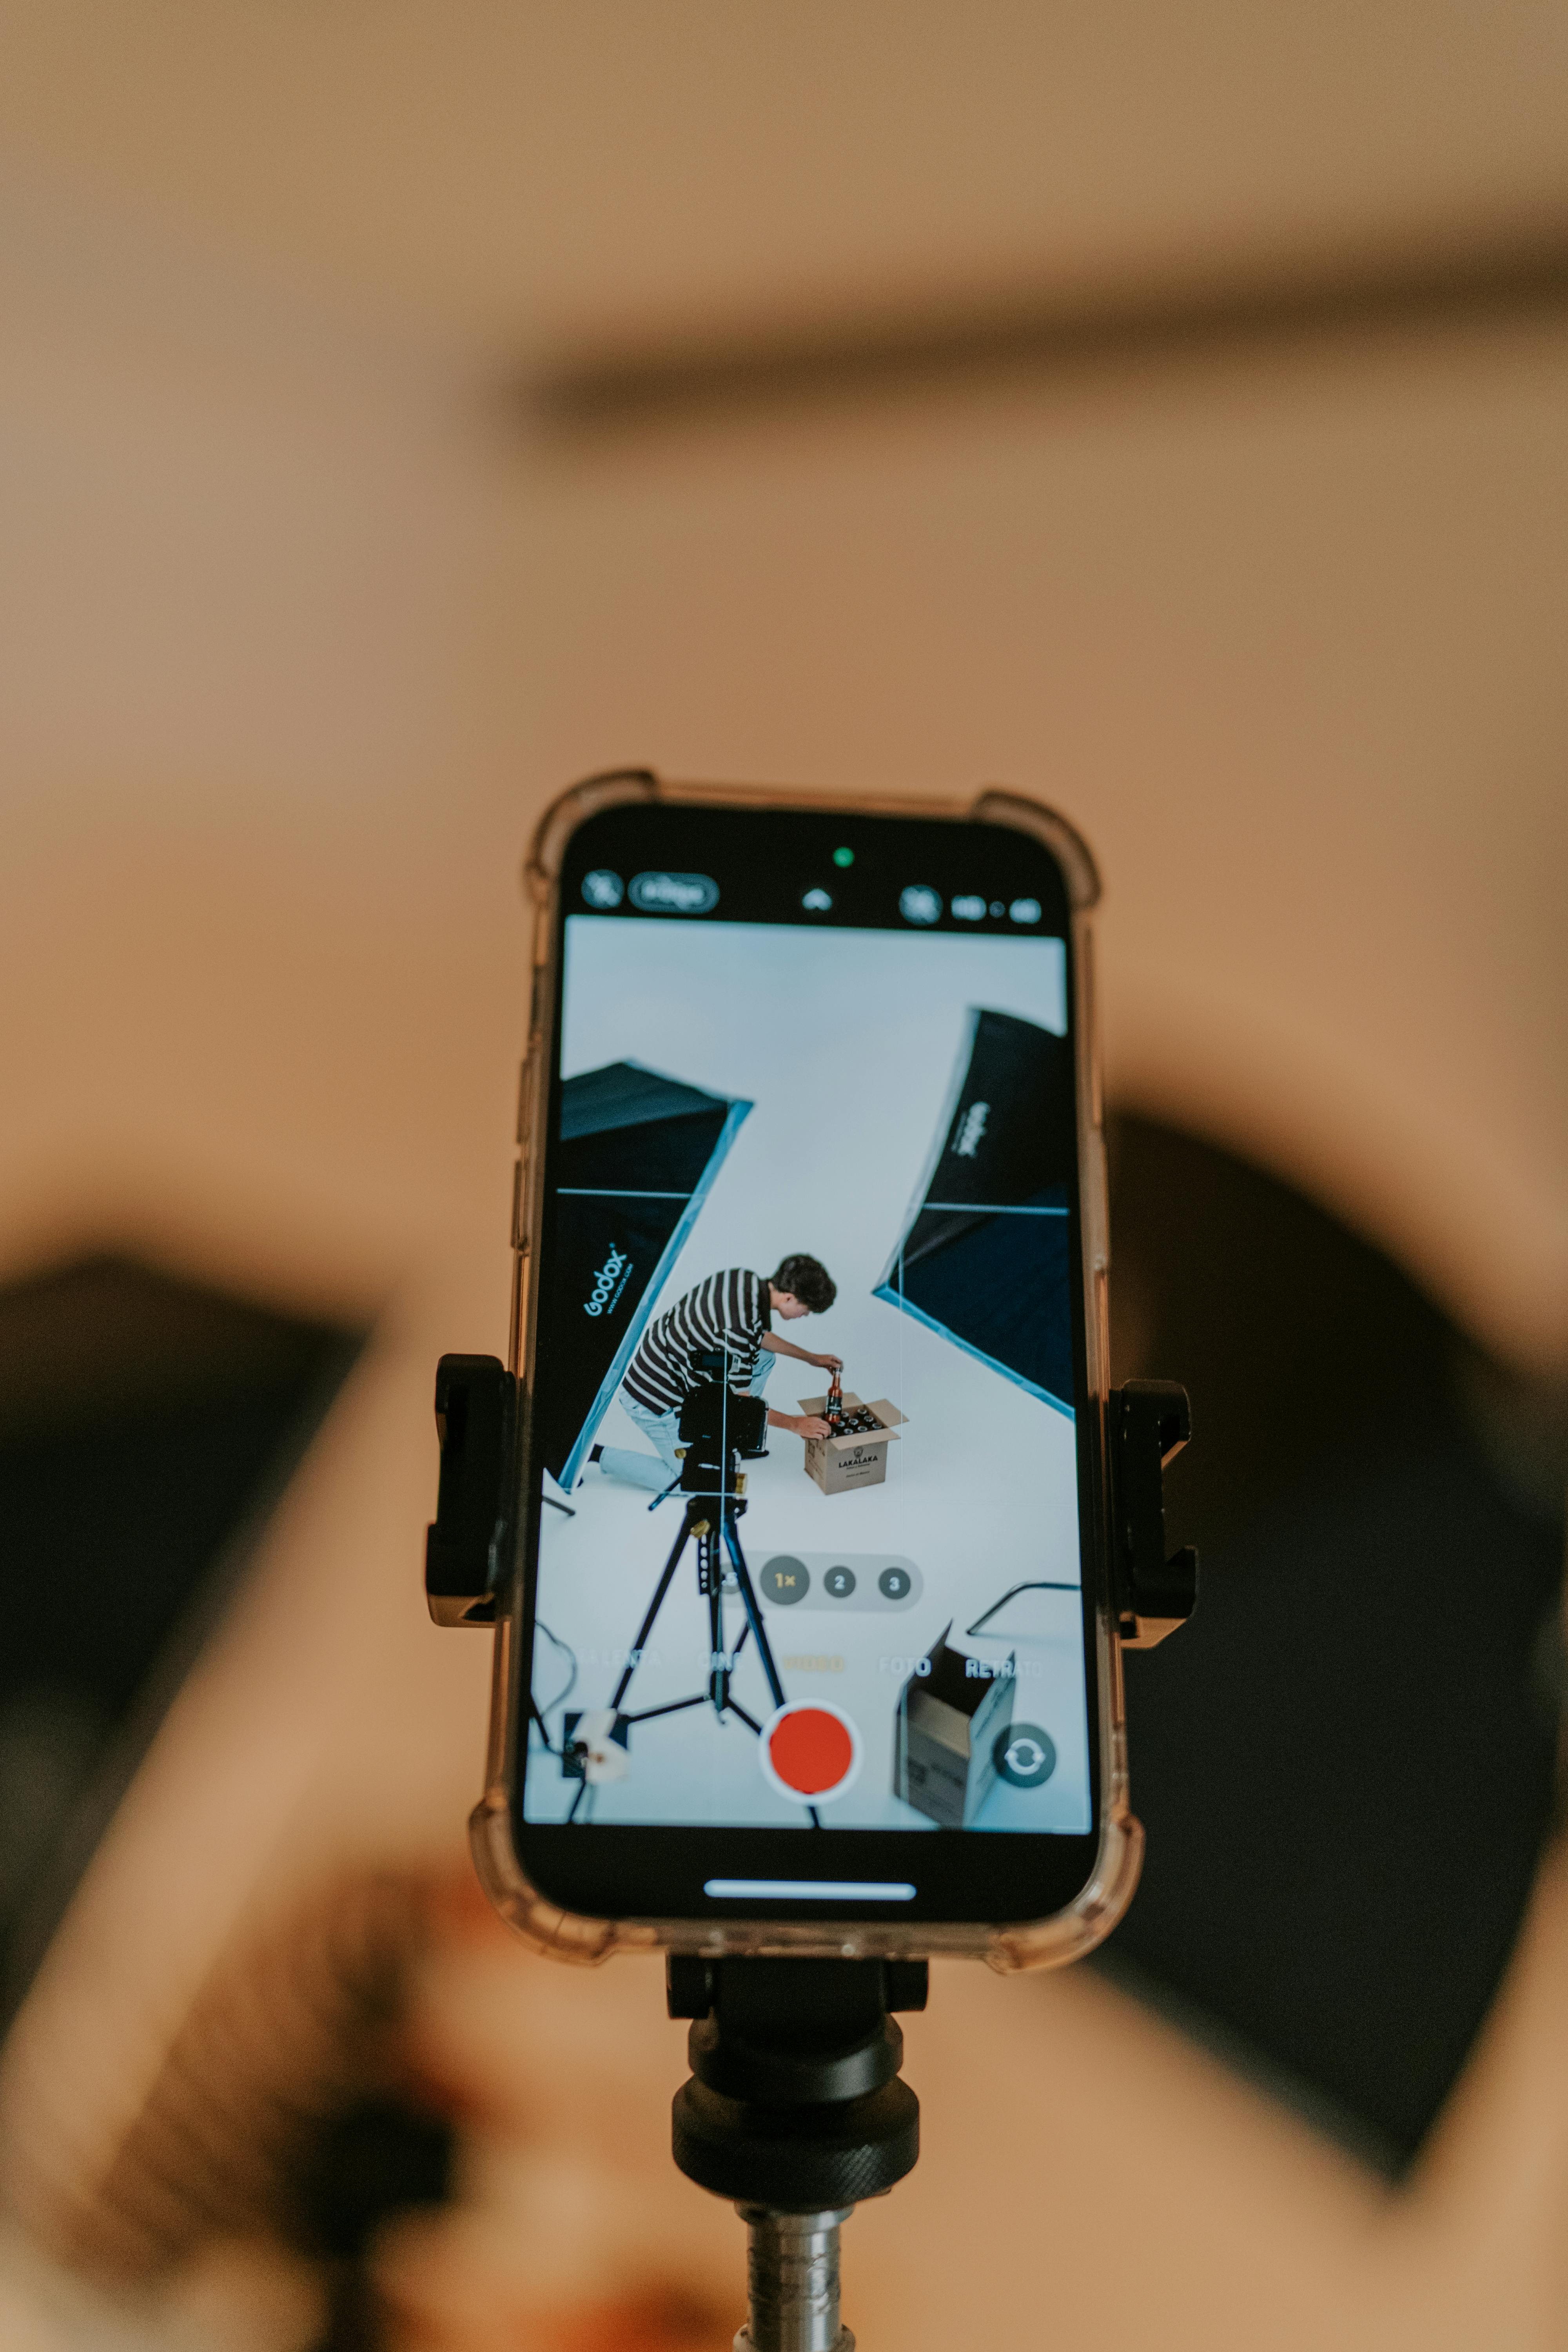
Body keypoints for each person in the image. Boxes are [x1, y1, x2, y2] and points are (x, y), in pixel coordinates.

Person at [590, 1254, 842, 1493]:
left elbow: (758, 1337)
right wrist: (795, 1424)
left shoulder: (745, 1280)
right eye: (806, 1309)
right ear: (788, 1298)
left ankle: (738, 1435)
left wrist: (812, 1358)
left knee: (764, 1358)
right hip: (652, 1397)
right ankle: (598, 1455)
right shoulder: (736, 1334)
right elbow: (741, 1402)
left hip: (667, 1360)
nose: (805, 1315)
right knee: (688, 1482)